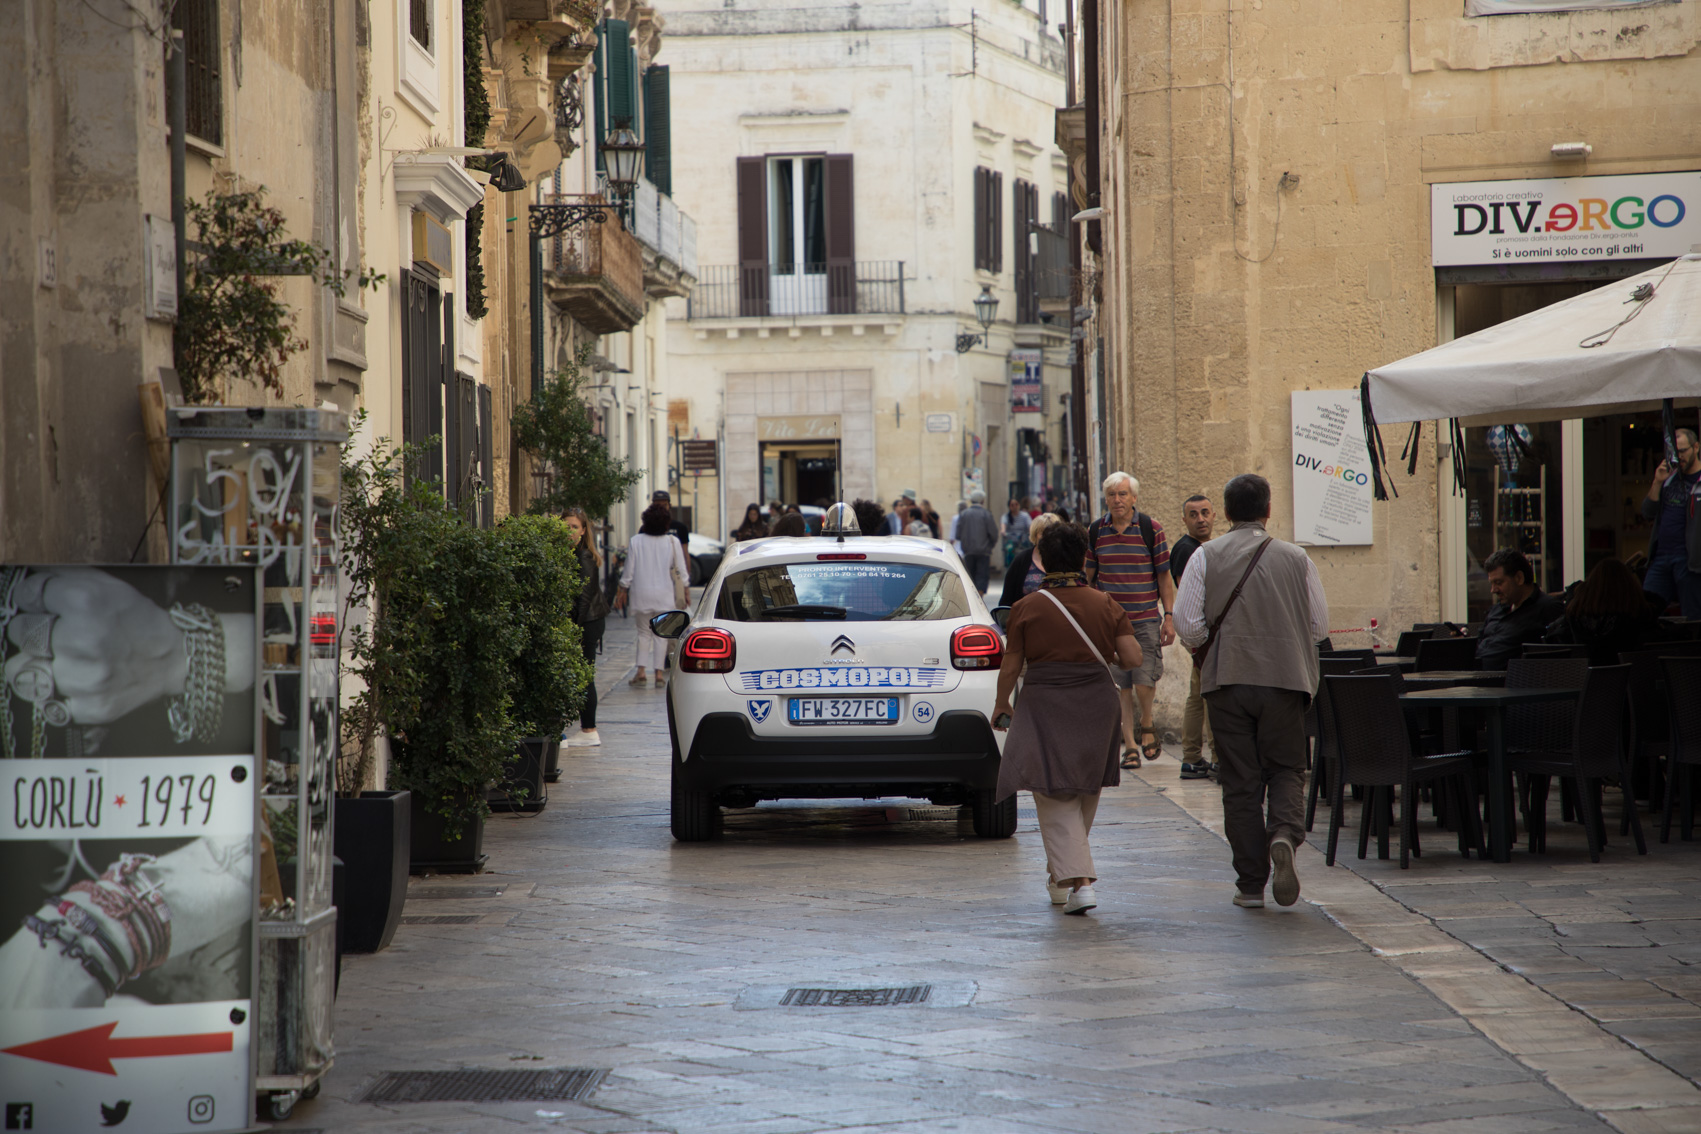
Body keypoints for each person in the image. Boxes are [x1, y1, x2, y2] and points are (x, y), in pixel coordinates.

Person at [1175, 473, 1329, 910]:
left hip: (1227, 681)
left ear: (1224, 513)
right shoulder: (1297, 558)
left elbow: (1187, 624)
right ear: (1267, 510)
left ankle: (1250, 884)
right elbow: (1319, 626)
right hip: (1285, 681)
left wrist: (1218, 639)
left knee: (1240, 783)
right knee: (1285, 769)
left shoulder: (1204, 556)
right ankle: (1283, 835)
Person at [993, 521, 1143, 916]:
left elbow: (1011, 664)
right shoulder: (1107, 604)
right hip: (1096, 702)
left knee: (1053, 791)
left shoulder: (1026, 608)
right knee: (1082, 789)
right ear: (1082, 559)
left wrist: (1001, 703)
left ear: (1045, 561)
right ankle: (1061, 874)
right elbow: (1132, 660)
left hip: (1044, 704)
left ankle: (1080, 882)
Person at [1084, 471, 1175, 769]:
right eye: (1111, 495)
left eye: (1123, 494)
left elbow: (1164, 575)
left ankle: (1146, 722)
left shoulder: (1151, 529)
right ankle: (1130, 745)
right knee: (1120, 684)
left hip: (1146, 618)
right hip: (1111, 623)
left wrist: (1168, 617)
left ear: (1134, 498)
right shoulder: (1096, 531)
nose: (1117, 500)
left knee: (1144, 678)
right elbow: (1088, 577)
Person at [615, 502, 689, 687]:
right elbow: (681, 569)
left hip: (641, 593)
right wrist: (686, 589)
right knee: (661, 635)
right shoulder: (672, 542)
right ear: (666, 523)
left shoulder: (636, 541)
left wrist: (622, 589)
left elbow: (629, 571)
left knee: (643, 633)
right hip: (664, 594)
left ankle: (641, 671)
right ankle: (658, 675)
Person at [1171, 495, 1217, 781]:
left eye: (1204, 513)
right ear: (1184, 519)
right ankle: (1214, 755)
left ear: (1214, 515)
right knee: (1208, 695)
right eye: (1193, 514)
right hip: (1202, 636)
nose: (1200, 519)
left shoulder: (1201, 548)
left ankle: (1191, 758)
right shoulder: (1186, 550)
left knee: (1198, 695)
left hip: (1202, 636)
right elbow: (1191, 596)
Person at [1545, 558, 1663, 665]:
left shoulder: (1576, 613)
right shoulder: (1636, 613)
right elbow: (1659, 601)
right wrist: (1633, 592)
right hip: (1628, 678)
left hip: (1586, 679)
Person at [561, 507, 611, 747]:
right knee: (582, 676)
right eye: (566, 526)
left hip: (587, 623)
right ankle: (587, 729)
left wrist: (571, 629)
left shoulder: (584, 556)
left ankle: (589, 730)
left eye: (574, 527)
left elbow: (583, 597)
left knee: (584, 677)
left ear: (583, 531)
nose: (569, 531)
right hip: (586, 622)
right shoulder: (570, 553)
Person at [1641, 428, 1701, 617]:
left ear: (1696, 447)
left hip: (1689, 560)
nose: (1678, 457)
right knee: (1646, 610)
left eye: (1682, 451)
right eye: (1674, 453)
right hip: (1662, 557)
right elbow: (1647, 512)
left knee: (1693, 615)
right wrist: (1657, 482)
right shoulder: (1669, 478)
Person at [1476, 549, 1565, 670]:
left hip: (1512, 683)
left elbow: (1562, 658)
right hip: (1474, 678)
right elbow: (1478, 641)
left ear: (1519, 578)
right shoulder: (1497, 609)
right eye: (1492, 584)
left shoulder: (1547, 608)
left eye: (1498, 582)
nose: (1493, 590)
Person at [999, 512, 1059, 607]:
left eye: (1051, 533)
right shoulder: (1021, 560)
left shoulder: (1063, 560)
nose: (1047, 537)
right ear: (1035, 535)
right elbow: (1007, 599)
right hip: (1026, 619)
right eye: (1043, 533)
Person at [957, 490, 1000, 595]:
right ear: (982, 501)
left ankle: (971, 598)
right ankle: (980, 599)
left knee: (969, 576)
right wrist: (990, 545)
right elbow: (994, 533)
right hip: (983, 551)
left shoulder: (964, 514)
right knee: (982, 576)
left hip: (968, 550)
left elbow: (958, 534)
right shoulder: (986, 514)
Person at [1003, 498, 1032, 564]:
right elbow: (1003, 526)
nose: (1015, 506)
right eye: (1012, 505)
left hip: (1023, 540)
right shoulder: (1006, 517)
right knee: (1009, 552)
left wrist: (1031, 532)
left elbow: (1030, 525)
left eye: (1016, 504)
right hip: (1011, 540)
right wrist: (1003, 531)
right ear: (1009, 507)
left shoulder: (1025, 515)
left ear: (1019, 505)